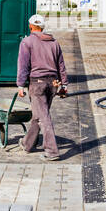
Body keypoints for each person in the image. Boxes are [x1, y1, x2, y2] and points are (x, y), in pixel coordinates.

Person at [16, 14, 69, 161]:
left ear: (30, 26)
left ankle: (52, 151)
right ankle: (27, 144)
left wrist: (20, 85)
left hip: (37, 84)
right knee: (39, 115)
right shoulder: (54, 43)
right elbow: (61, 66)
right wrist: (64, 85)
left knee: (43, 118)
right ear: (43, 27)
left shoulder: (27, 42)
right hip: (52, 85)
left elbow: (23, 66)